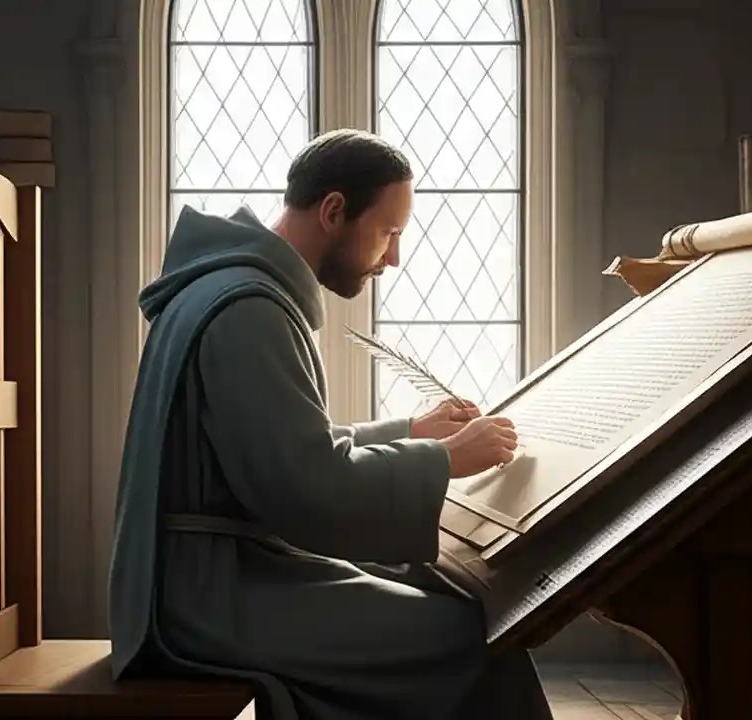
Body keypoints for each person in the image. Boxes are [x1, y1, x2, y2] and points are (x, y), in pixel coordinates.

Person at [107, 128, 555, 720]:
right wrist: (448, 460)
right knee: (474, 643)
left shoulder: (236, 289)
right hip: (207, 601)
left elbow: (287, 450)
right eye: (389, 232)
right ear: (334, 210)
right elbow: (303, 488)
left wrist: (414, 433)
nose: (393, 257)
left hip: (217, 577)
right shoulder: (249, 309)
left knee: (437, 593)